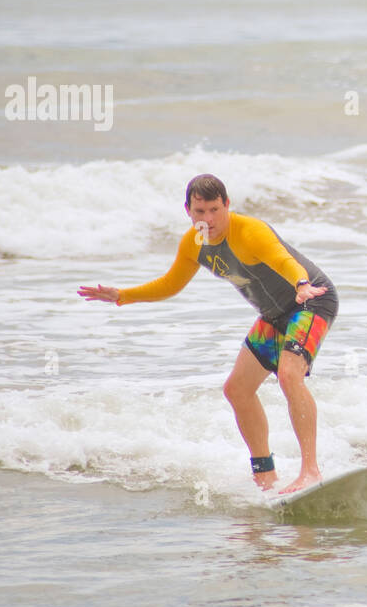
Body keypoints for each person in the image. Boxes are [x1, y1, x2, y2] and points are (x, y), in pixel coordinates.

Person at [77, 174, 338, 494]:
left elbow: (285, 261)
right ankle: (265, 477)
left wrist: (300, 284)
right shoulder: (194, 243)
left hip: (310, 301)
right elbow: (170, 284)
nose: (209, 219)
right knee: (236, 390)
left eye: (215, 210)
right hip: (273, 316)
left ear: (227, 205)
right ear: (188, 210)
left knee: (288, 374)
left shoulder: (250, 231)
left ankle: (310, 471)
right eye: (200, 212)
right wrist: (123, 295)